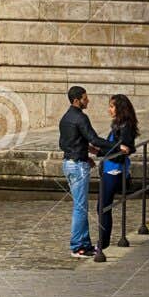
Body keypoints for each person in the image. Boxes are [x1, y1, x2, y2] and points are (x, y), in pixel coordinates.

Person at [59, 85, 122, 259]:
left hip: (69, 163)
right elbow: (94, 139)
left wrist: (85, 155)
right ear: (76, 100)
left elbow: (64, 144)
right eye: (85, 98)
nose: (88, 101)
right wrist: (117, 146)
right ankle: (77, 246)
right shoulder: (81, 117)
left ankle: (84, 244)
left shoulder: (65, 118)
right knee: (80, 207)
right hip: (77, 166)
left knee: (81, 206)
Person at [97, 94, 139, 251]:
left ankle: (103, 243)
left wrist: (105, 150)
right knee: (102, 206)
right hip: (110, 168)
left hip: (114, 170)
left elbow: (125, 149)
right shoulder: (119, 125)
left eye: (112, 106)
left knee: (103, 207)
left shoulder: (125, 126)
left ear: (120, 108)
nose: (109, 110)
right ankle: (103, 241)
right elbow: (116, 147)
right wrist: (98, 151)